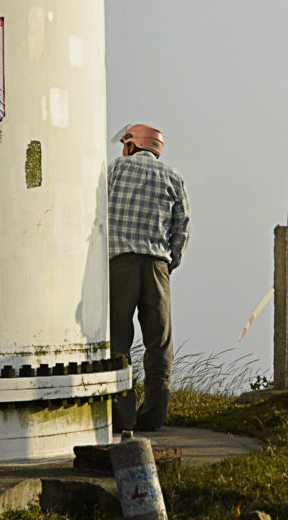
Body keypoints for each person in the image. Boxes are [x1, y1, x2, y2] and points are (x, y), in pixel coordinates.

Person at [107, 124, 190, 432]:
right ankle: (153, 416)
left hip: (120, 264)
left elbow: (97, 213)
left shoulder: (116, 169)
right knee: (159, 343)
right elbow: (182, 227)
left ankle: (122, 417)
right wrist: (169, 263)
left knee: (118, 341)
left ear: (131, 145)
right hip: (158, 266)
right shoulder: (173, 176)